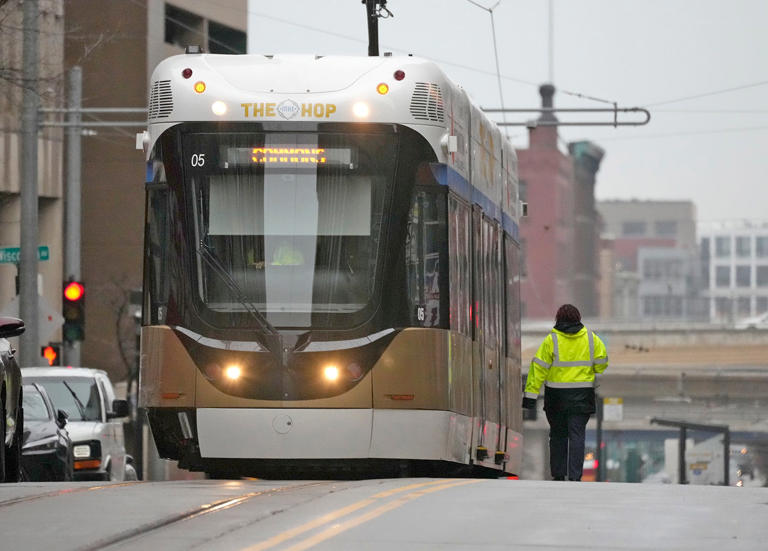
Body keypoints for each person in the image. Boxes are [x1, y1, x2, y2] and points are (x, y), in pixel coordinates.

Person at [522, 304, 608, 481]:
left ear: (558, 319)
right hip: (582, 396)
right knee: (577, 436)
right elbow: (602, 363)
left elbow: (538, 369)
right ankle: (575, 476)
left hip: (557, 398)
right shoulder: (592, 339)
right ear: (578, 318)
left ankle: (559, 474)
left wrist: (530, 397)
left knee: (558, 435)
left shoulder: (551, 341)